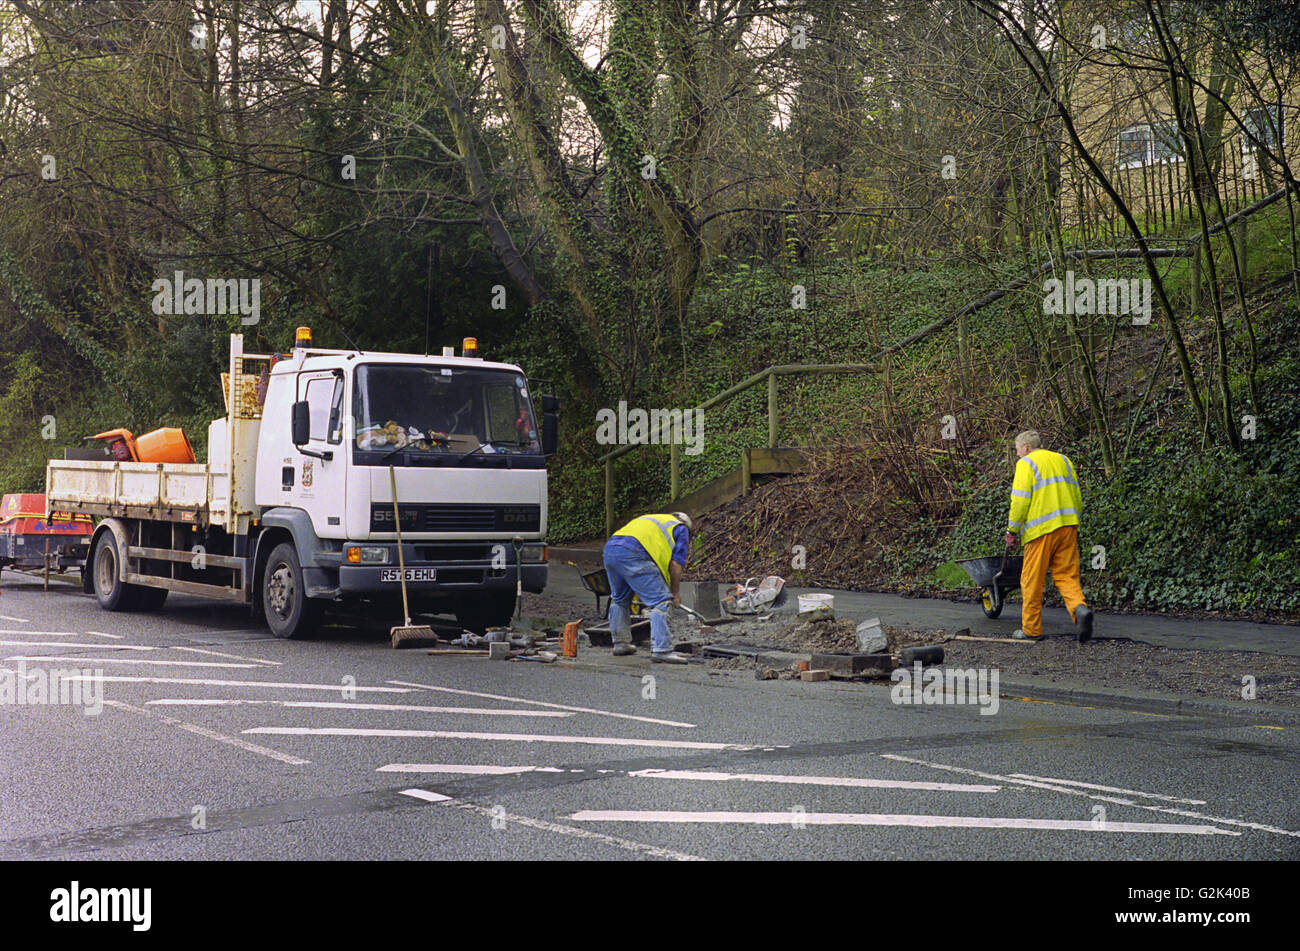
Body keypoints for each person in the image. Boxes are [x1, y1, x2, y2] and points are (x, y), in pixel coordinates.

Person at [1005, 430, 1094, 643]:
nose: (1017, 454)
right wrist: (1074, 521)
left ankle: (1031, 630)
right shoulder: (1063, 460)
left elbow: (1019, 501)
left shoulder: (1026, 464)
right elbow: (1077, 495)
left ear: (1026, 447)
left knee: (1031, 581)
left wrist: (1012, 530)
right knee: (1066, 575)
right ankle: (1079, 609)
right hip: (1068, 526)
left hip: (1041, 531)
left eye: (1017, 450)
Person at [603, 512, 693, 663]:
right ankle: (662, 650)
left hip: (610, 549)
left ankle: (621, 643)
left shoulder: (652, 519)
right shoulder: (680, 528)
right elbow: (676, 564)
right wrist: (675, 593)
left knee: (619, 599)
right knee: (661, 601)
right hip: (634, 553)